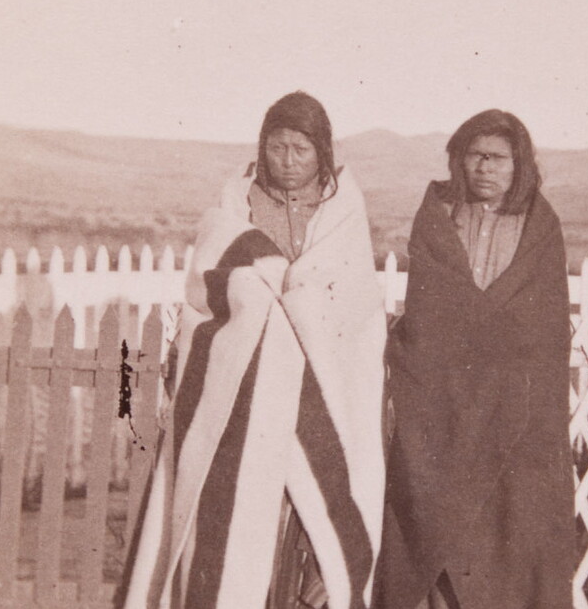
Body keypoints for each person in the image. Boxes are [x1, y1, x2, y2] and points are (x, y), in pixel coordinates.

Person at [118, 92, 387, 609]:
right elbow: (208, 292)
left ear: (322, 154)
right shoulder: (233, 206)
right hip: (241, 396)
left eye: (301, 150)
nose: (287, 160)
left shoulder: (342, 213)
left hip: (316, 393)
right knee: (226, 527)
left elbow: (352, 305)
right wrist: (259, 294)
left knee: (305, 538)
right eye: (277, 147)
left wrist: (297, 304)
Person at [373, 110, 576, 608]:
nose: (484, 167)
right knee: (431, 524)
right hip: (440, 401)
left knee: (504, 533)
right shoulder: (438, 216)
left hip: (512, 408)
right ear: (458, 160)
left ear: (519, 164)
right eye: (474, 155)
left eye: (498, 158)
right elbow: (429, 310)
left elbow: (543, 327)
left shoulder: (538, 227)